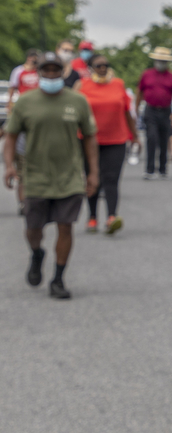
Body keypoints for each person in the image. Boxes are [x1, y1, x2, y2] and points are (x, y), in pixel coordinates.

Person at [3, 51, 99, 299]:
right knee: (33, 228)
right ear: (39, 72)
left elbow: (89, 137)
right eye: (46, 70)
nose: (51, 74)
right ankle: (36, 253)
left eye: (56, 69)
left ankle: (58, 278)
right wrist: (9, 165)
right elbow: (11, 136)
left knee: (66, 227)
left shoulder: (77, 101)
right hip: (35, 176)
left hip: (69, 177)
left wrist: (93, 173)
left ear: (63, 71)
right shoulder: (26, 102)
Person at [79, 55, 138, 234]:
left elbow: (127, 112)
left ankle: (112, 216)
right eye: (98, 65)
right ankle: (92, 217)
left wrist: (135, 136)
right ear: (91, 67)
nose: (103, 68)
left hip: (116, 139)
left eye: (106, 65)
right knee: (92, 177)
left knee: (111, 179)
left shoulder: (118, 84)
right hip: (89, 140)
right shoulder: (83, 86)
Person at [136, 47, 172, 180]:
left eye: (163, 61)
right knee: (151, 137)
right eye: (159, 60)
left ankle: (162, 167)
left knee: (163, 139)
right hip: (150, 110)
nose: (160, 63)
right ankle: (149, 169)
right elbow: (139, 92)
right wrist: (136, 108)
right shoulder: (147, 74)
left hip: (166, 110)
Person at [9, 49, 40, 211]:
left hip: (39, 115)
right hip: (22, 113)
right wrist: (10, 110)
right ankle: (23, 203)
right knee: (21, 168)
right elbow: (12, 90)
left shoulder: (40, 73)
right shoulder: (18, 71)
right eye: (33, 60)